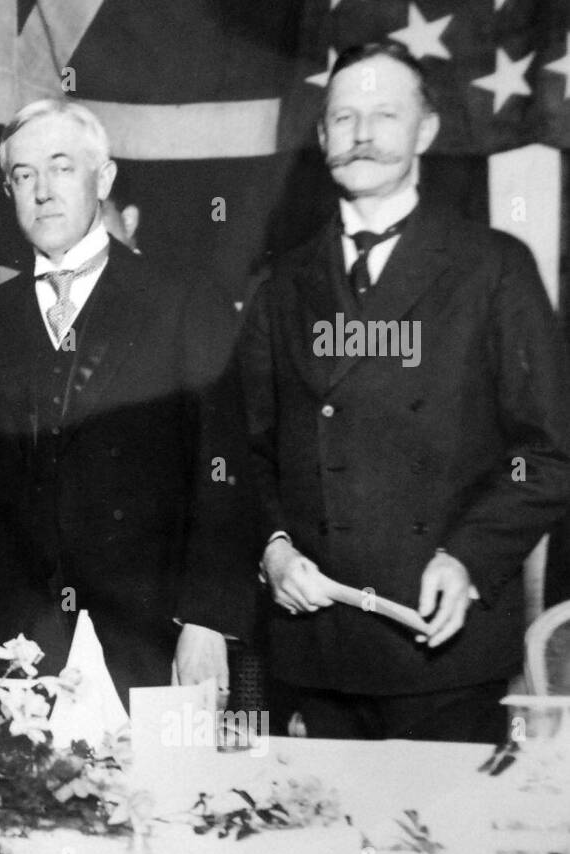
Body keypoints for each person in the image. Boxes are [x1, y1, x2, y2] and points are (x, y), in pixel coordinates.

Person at [242, 42, 570, 742]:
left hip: (442, 649)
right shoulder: (281, 285)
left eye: (385, 115)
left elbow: (549, 455)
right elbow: (249, 454)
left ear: (426, 131)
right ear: (322, 135)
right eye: (343, 117)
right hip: (316, 646)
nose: (362, 135)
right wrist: (272, 547)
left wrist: (471, 558)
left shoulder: (494, 268)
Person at [0, 98, 257, 696]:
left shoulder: (184, 301)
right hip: (18, 644)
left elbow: (222, 468)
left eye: (62, 168)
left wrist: (206, 620)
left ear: (103, 178)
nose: (42, 191)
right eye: (23, 176)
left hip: (152, 636)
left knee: (167, 793)